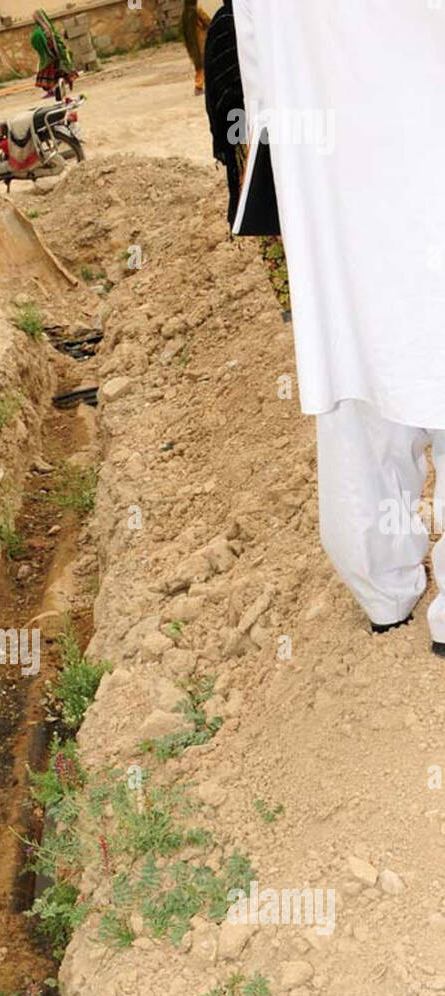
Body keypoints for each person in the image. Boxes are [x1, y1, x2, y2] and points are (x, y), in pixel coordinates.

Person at [233, 0, 445, 652]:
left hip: (336, 196)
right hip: (425, 161)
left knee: (357, 389)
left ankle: (384, 592)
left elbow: (258, 76)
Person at [203, 0, 289, 316]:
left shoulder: (276, 19)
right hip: (254, 149)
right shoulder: (227, 23)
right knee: (277, 235)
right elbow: (224, 100)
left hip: (291, 143)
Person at [30, 9, 76, 99]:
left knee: (52, 74)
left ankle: (54, 91)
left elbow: (52, 42)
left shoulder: (46, 30)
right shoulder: (41, 29)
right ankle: (54, 91)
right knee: (53, 75)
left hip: (52, 57)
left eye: (35, 18)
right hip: (50, 57)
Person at [182, 0, 211, 96]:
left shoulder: (185, 14)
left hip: (191, 42)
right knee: (203, 64)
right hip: (201, 41)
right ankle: (199, 86)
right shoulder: (197, 11)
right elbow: (207, 21)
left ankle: (199, 85)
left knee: (198, 65)